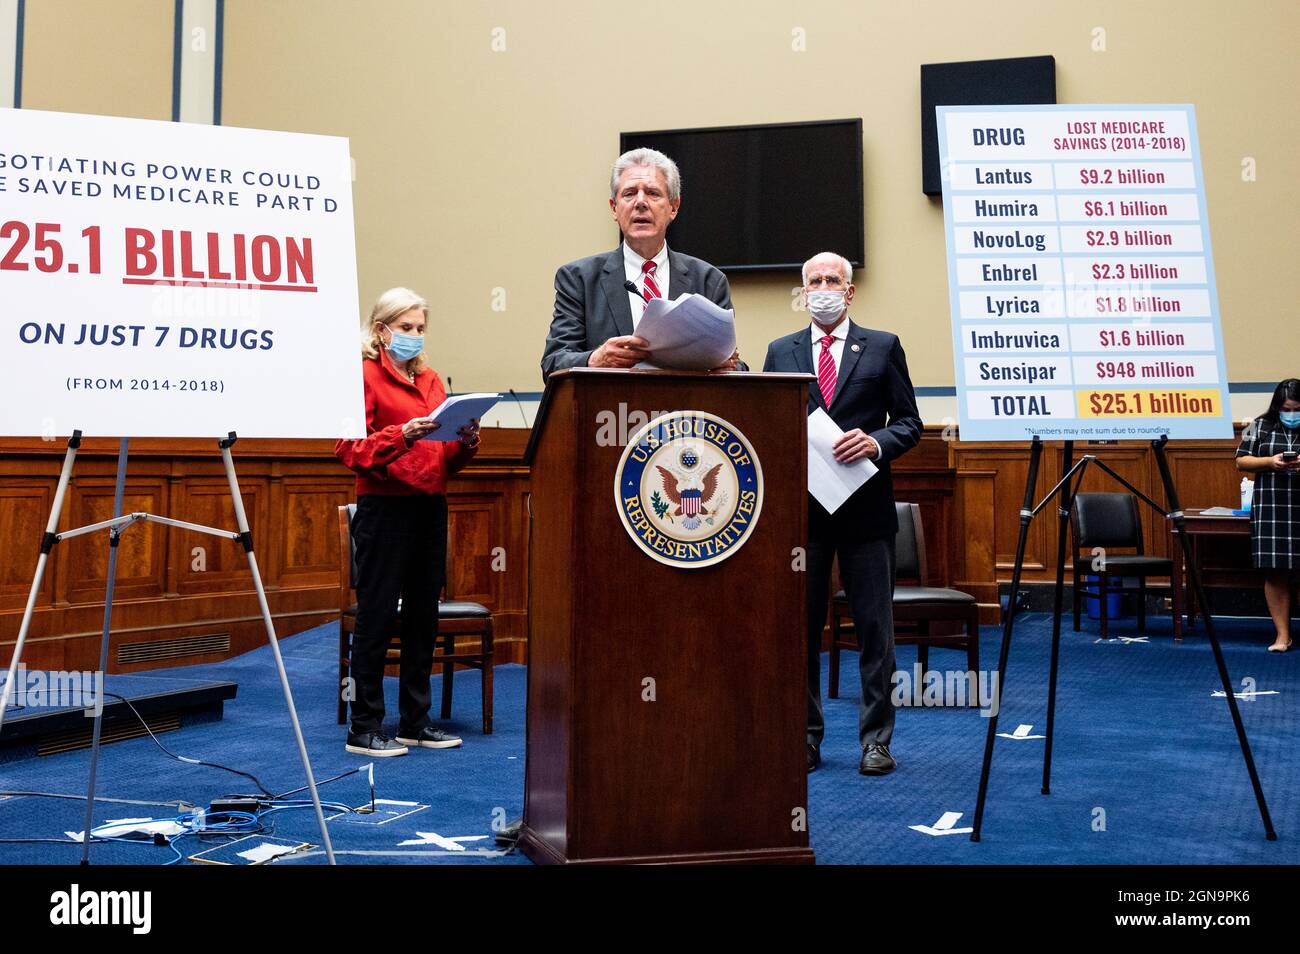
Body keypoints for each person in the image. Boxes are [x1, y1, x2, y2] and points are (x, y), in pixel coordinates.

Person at [763, 252, 921, 776]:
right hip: (802, 514)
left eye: (834, 280)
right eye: (815, 281)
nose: (824, 288)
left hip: (866, 513)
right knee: (800, 631)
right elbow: (766, 427)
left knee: (875, 631)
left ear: (849, 291)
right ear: (803, 291)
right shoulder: (780, 352)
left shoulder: (883, 346)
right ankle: (804, 737)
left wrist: (875, 443)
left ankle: (876, 740)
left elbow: (909, 423)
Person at [335, 287, 481, 756]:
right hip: (384, 509)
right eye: (406, 328)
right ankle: (365, 727)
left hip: (430, 507)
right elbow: (349, 449)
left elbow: (442, 459)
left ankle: (415, 722)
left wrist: (466, 441)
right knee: (377, 618)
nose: (415, 337)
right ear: (381, 331)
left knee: (423, 617)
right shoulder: (364, 377)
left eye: (420, 329)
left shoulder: (431, 380)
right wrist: (401, 434)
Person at [540, 147, 741, 379]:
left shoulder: (708, 280)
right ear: (614, 208)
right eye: (629, 194)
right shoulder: (579, 279)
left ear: (674, 207)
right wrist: (595, 359)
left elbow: (736, 365)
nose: (641, 202)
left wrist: (726, 367)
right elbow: (553, 363)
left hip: (684, 412)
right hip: (609, 412)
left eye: (653, 193)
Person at [1235, 377, 1300, 652]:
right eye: (1286, 408)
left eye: (1297, 408)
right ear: (1277, 405)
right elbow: (1240, 460)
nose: (1292, 414)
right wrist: (1269, 462)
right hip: (1273, 508)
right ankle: (1282, 635)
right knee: (1275, 572)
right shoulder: (1257, 426)